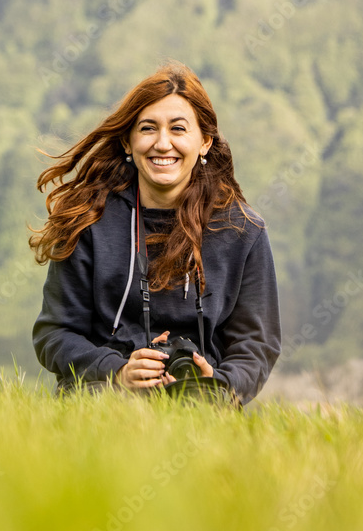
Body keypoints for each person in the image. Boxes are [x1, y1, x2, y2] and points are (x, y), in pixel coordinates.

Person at [30, 61, 281, 404]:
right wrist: (115, 372)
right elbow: (54, 333)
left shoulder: (242, 231)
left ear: (205, 142)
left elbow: (257, 344)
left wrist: (219, 387)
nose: (163, 144)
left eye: (178, 129)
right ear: (127, 142)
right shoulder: (88, 220)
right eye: (148, 129)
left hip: (202, 410)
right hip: (99, 408)